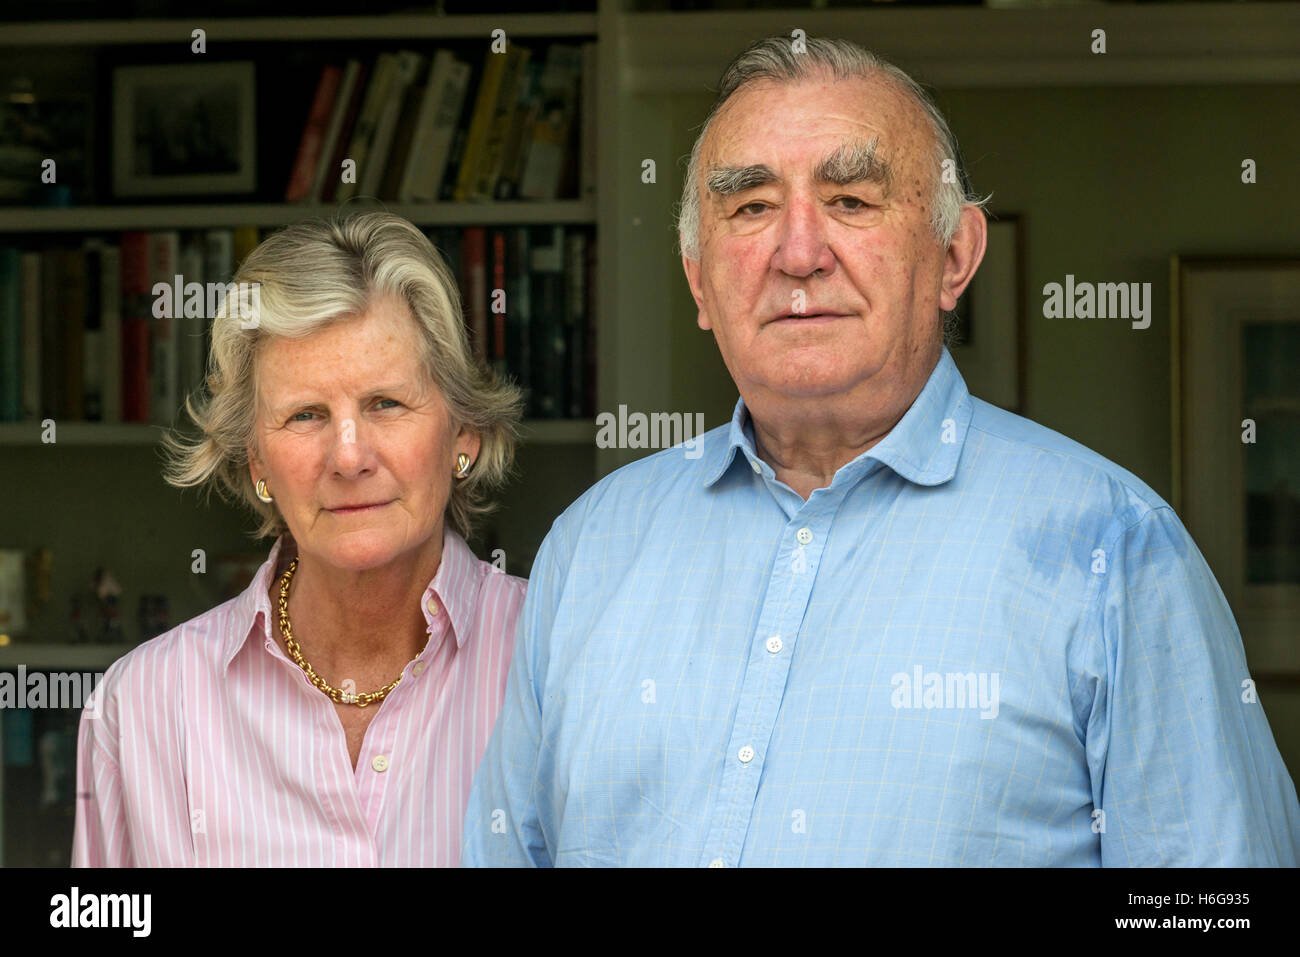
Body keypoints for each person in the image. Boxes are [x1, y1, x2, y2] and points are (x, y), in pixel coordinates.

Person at [461, 36, 1300, 866]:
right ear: (698, 280)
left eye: (852, 200)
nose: (798, 254)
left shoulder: (1114, 548)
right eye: (750, 206)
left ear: (954, 257)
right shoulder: (590, 550)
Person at [73, 212, 526, 866]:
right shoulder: (144, 705)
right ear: (255, 459)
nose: (348, 456)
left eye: (386, 404)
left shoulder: (561, 658)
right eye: (306, 414)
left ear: (464, 433)